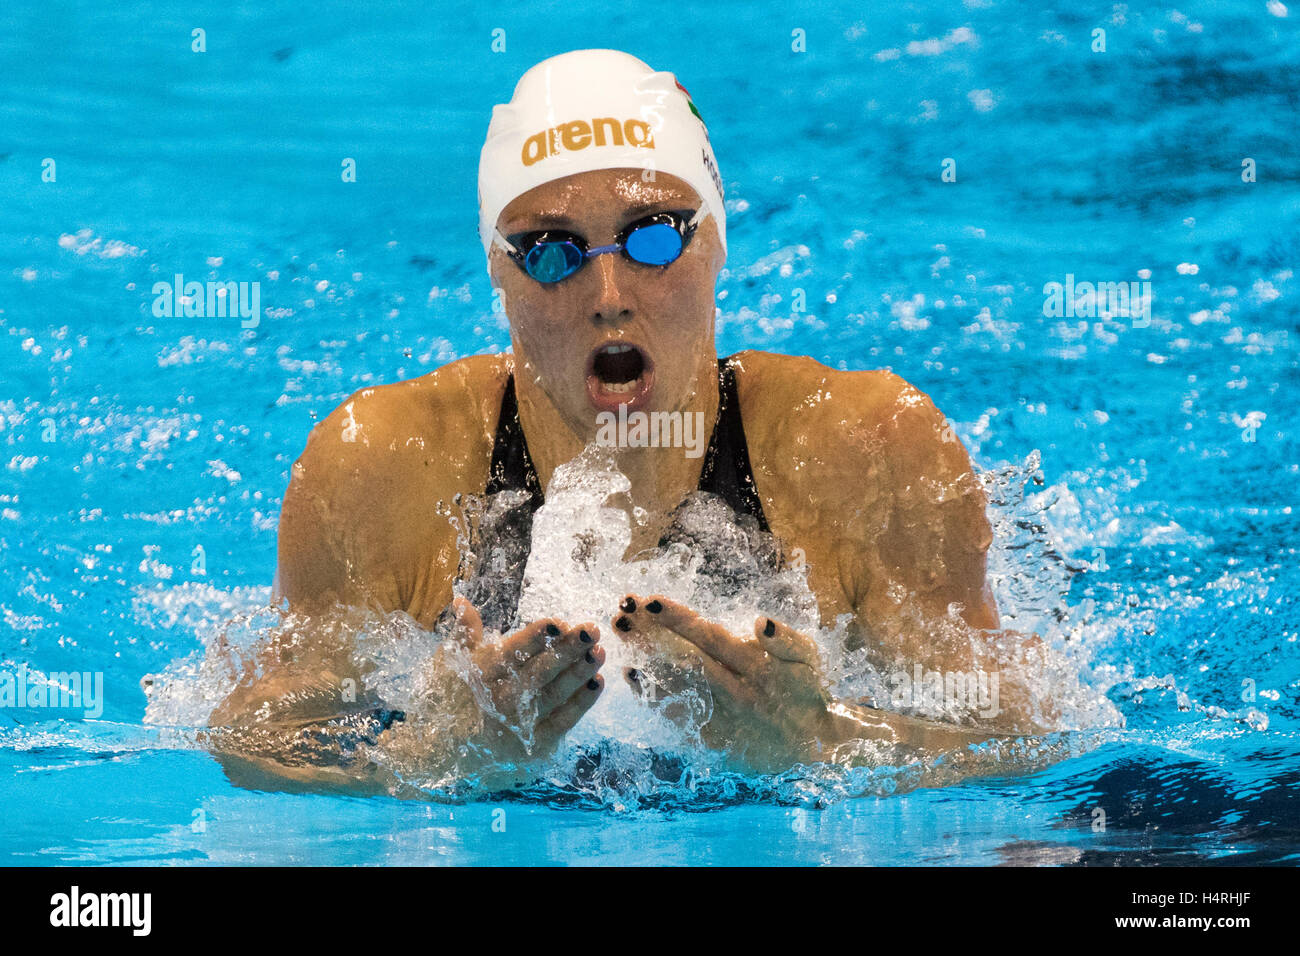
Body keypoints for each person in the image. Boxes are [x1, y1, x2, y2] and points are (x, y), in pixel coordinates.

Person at [210, 49, 1051, 794]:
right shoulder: (382, 463)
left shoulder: (867, 449)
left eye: (653, 239)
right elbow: (247, 743)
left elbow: (1026, 740)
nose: (608, 296)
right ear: (499, 280)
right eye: (551, 252)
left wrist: (823, 740)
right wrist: (437, 756)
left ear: (717, 243)